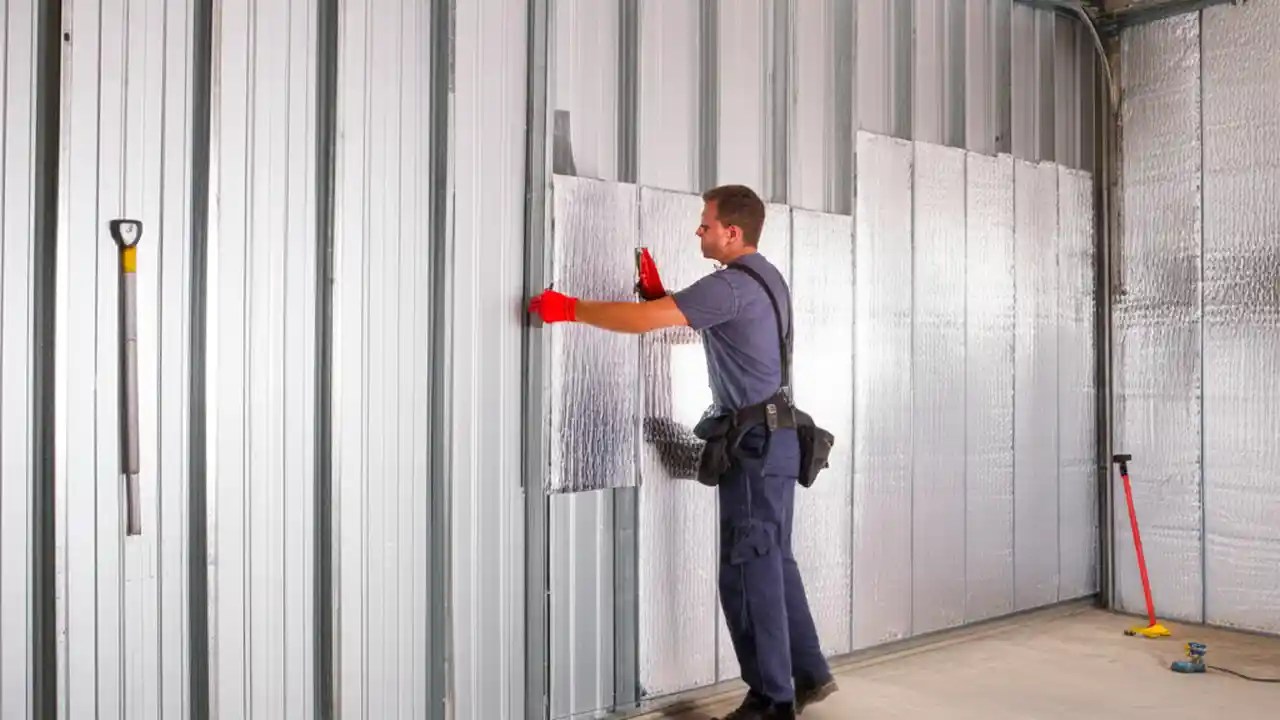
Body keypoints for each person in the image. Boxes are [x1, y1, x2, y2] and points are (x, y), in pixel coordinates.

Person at [528, 185, 836, 719]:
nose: (700, 231)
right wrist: (663, 297)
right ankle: (806, 676)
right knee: (774, 562)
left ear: (732, 232)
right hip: (781, 438)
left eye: (706, 224)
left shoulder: (730, 285)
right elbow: (706, 331)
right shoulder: (766, 278)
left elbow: (647, 326)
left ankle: (771, 701)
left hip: (756, 447)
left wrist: (569, 308)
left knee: (746, 567)